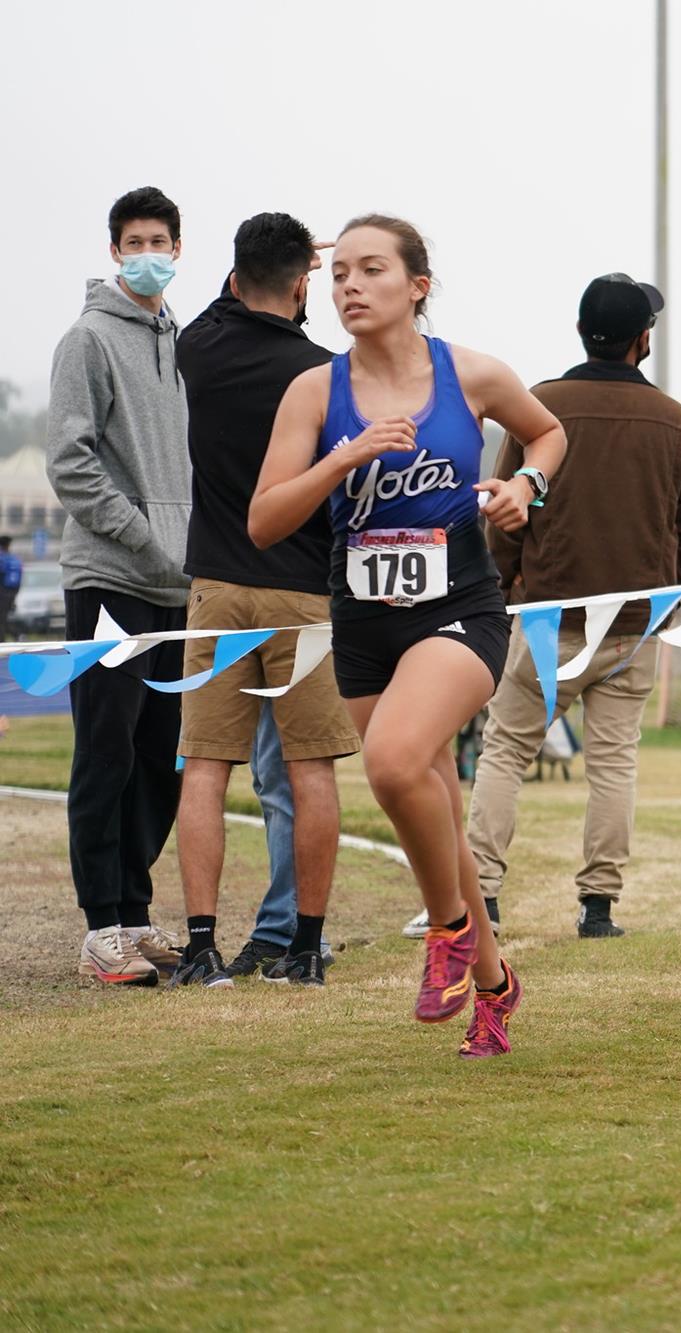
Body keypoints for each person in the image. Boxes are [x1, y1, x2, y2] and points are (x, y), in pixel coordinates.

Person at [250, 214, 566, 1058]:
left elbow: (547, 431)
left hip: (458, 607)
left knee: (392, 763)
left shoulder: (472, 373)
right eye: (340, 273)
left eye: (372, 270)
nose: (351, 286)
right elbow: (263, 520)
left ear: (417, 285)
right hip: (361, 621)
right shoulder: (316, 392)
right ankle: (496, 988)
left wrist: (524, 484)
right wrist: (342, 460)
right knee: (434, 811)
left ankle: (450, 933)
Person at [454, 274, 681, 942]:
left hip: (545, 619)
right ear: (642, 339)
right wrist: (665, 594)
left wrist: (505, 587)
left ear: (580, 330)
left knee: (505, 751)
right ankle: (599, 905)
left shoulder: (541, 406)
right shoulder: (677, 421)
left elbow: (505, 515)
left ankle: (484, 893)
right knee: (614, 762)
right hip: (634, 626)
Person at [170, 212, 361, 987]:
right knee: (312, 769)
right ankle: (305, 946)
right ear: (305, 283)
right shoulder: (322, 373)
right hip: (304, 591)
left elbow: (228, 299)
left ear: (233, 275)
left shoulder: (199, 349)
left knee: (206, 767)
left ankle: (201, 944)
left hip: (217, 584)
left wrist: (258, 265)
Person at [46, 186, 192, 985]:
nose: (148, 252)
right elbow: (69, 462)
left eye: (160, 239)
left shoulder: (178, 342)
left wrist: (188, 550)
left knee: (158, 756)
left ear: (178, 248)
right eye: (134, 239)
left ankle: (135, 914)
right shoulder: (87, 339)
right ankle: (100, 925)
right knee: (104, 751)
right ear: (113, 251)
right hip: (109, 579)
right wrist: (144, 537)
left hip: (177, 587)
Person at [0, 536, 20, 638]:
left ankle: (14, 636)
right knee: (4, 617)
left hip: (2, 592)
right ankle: (17, 635)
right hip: (12, 592)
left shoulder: (2, 559)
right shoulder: (15, 559)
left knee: (2, 618)